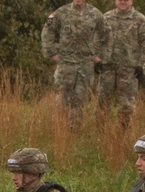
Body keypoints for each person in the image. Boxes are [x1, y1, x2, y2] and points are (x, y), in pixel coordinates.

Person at [41, 0, 108, 131]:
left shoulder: (95, 14)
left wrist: (100, 56)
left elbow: (106, 35)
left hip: (86, 65)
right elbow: (47, 31)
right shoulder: (60, 13)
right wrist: (52, 53)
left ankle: (75, 133)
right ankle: (59, 132)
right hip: (66, 65)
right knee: (62, 99)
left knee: (80, 99)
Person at [96, 0, 145, 129]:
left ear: (131, 1)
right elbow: (97, 39)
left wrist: (143, 64)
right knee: (102, 103)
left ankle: (123, 135)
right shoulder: (106, 18)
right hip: (107, 68)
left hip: (129, 70)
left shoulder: (140, 20)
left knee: (127, 106)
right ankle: (101, 136)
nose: (122, 2)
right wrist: (96, 58)